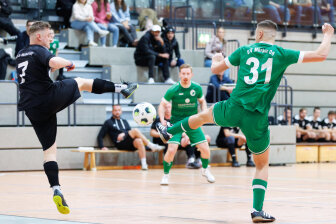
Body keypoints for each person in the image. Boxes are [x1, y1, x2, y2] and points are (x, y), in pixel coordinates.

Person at [156, 20, 334, 222]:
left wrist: (216, 58)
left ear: (258, 35)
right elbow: (321, 54)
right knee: (262, 164)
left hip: (234, 107)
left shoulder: (244, 50)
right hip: (256, 117)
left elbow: (215, 69)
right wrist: (328, 34)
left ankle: (170, 130)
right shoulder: (281, 53)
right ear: (272, 36)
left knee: (203, 116)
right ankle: (257, 210)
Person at [15, 21, 138, 215]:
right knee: (80, 82)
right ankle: (123, 89)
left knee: (49, 152)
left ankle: (56, 189)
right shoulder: (39, 50)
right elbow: (54, 61)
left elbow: (35, 73)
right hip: (46, 98)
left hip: (32, 108)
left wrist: (49, 69)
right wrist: (69, 63)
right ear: (38, 36)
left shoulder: (21, 53)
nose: (51, 39)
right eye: (49, 36)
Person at [157, 64, 215, 185]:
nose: (185, 76)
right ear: (179, 74)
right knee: (172, 150)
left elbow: (202, 102)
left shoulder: (197, 88)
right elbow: (162, 105)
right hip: (176, 123)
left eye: (188, 74)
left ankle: (205, 170)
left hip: (193, 122)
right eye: (183, 73)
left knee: (205, 149)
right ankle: (165, 175)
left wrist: (203, 115)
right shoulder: (173, 89)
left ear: (191, 75)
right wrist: (162, 120)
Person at [97, 105, 164, 170]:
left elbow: (129, 132)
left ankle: (144, 165)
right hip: (120, 143)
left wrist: (124, 134)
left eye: (119, 110)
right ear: (112, 111)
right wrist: (102, 147)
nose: (117, 112)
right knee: (135, 130)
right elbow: (100, 136)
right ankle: (150, 145)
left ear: (121, 111)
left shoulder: (124, 121)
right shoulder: (108, 122)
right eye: (115, 110)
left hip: (129, 143)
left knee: (139, 141)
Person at [150, 103, 204, 169]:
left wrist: (185, 136)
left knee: (189, 141)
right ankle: (167, 162)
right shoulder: (158, 119)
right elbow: (152, 133)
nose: (167, 109)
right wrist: (163, 134)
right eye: (165, 108)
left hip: (176, 139)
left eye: (169, 107)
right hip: (161, 140)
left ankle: (191, 161)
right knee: (170, 141)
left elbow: (181, 130)